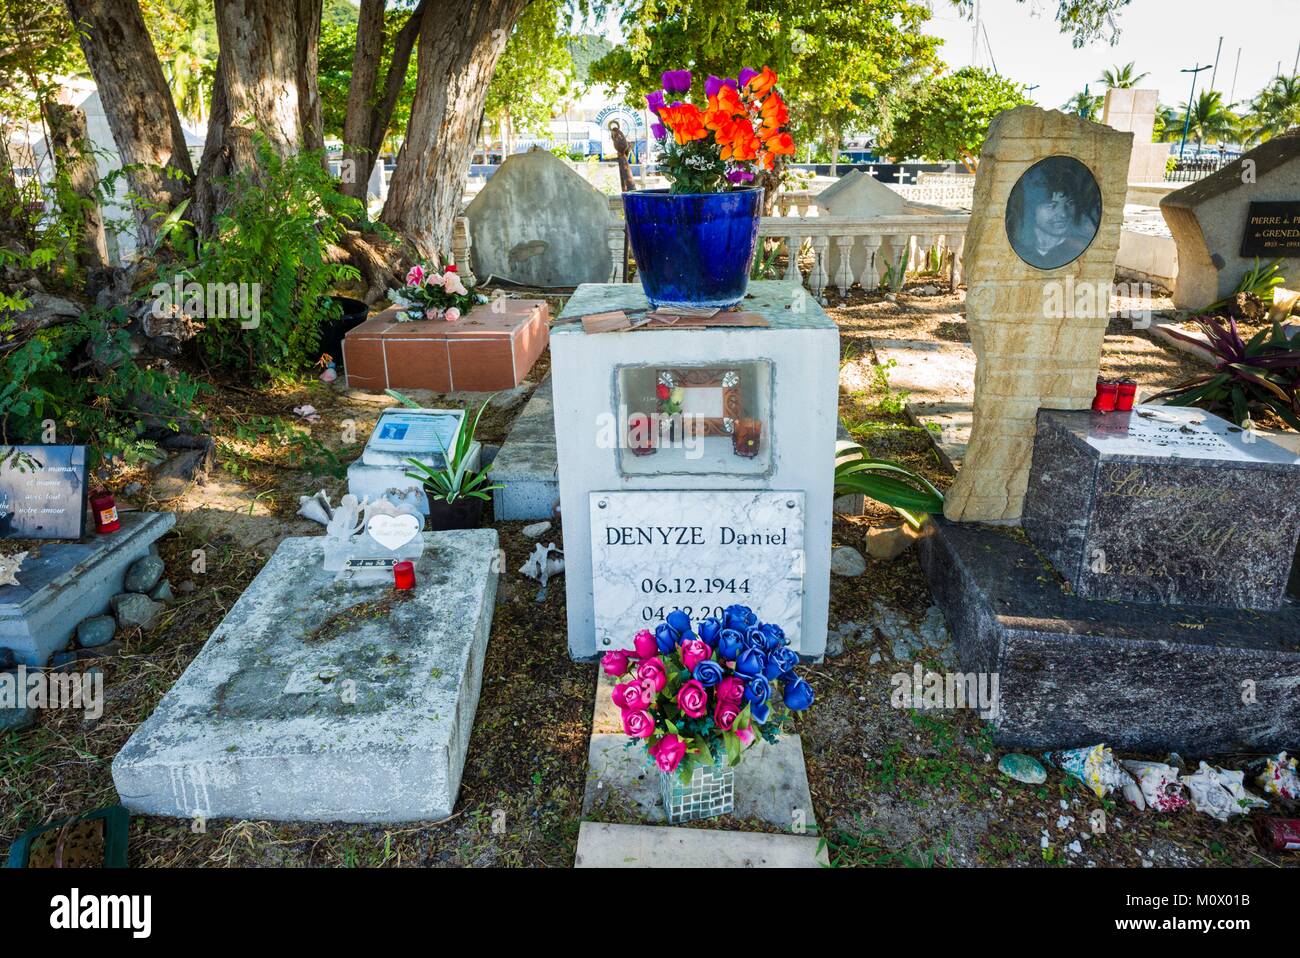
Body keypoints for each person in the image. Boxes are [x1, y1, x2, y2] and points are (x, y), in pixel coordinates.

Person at [1006, 158, 1100, 270]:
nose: (1063, 214)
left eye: (1069, 203)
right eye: (1052, 205)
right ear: (1031, 208)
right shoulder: (1021, 248)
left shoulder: (1076, 249)